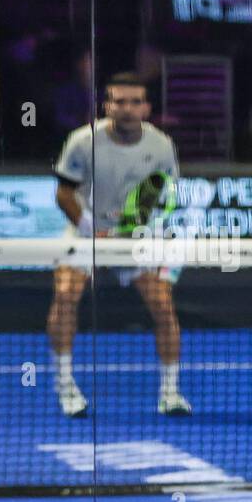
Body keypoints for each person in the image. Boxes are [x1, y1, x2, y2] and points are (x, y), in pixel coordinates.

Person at [49, 72, 190, 417]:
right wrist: (90, 228)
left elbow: (164, 192)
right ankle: (66, 388)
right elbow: (64, 193)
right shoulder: (83, 140)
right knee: (66, 294)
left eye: (135, 102)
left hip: (132, 234)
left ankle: (170, 393)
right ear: (106, 105)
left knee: (162, 304)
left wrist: (135, 225)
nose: (127, 109)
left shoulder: (160, 145)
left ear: (147, 107)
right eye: (119, 101)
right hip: (85, 229)